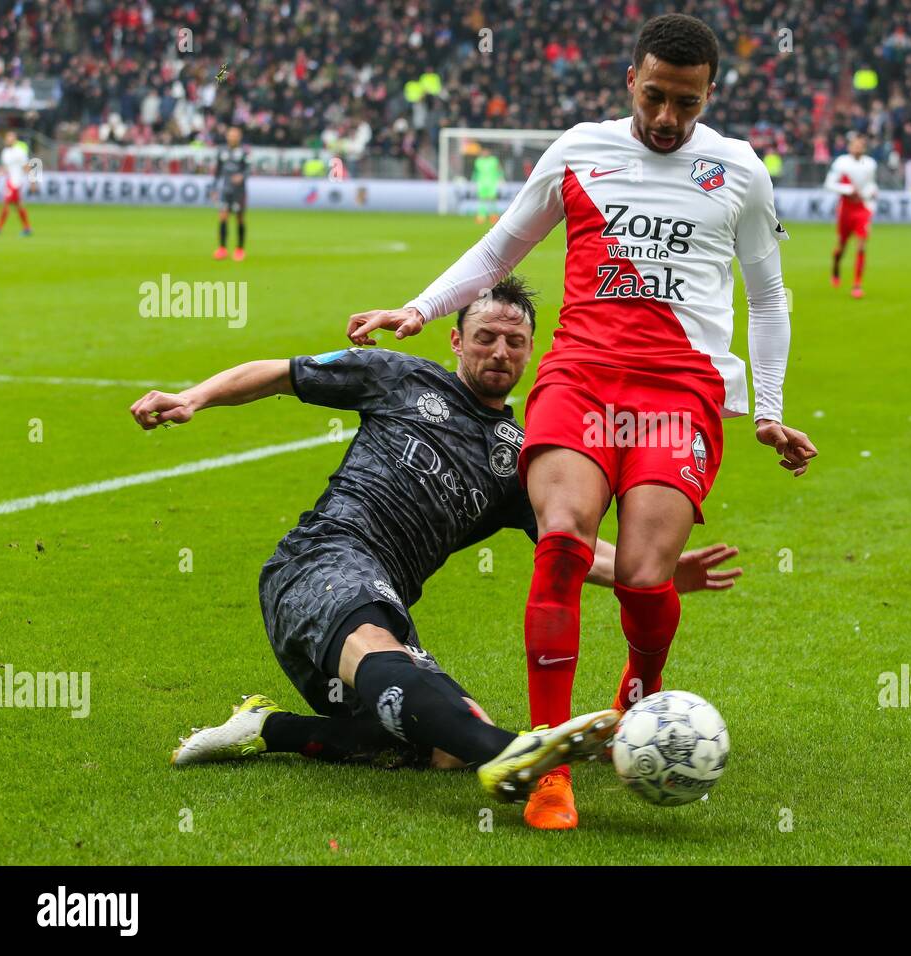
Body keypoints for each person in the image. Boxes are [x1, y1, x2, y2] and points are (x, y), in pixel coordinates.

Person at [345, 13, 815, 830]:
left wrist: (768, 410)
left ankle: (639, 689)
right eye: (657, 97)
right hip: (581, 378)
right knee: (561, 536)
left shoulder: (738, 170)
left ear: (711, 94)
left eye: (687, 104)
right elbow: (500, 252)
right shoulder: (578, 150)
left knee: (640, 573)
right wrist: (419, 309)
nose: (668, 119)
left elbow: (767, 295)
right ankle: (548, 759)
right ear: (631, 81)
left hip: (680, 390)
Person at [129, 276, 740, 811]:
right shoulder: (398, 376)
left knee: (440, 745)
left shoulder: (516, 457)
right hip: (320, 559)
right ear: (456, 340)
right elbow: (280, 374)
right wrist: (192, 397)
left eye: (514, 342)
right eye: (485, 337)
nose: (499, 352)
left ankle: (268, 728)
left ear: (531, 352)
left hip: (383, 598)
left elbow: (568, 546)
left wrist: (649, 573)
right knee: (419, 690)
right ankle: (520, 755)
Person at [824, 132, 877, 297]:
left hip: (862, 209)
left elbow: (871, 184)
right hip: (846, 210)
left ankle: (857, 284)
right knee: (842, 246)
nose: (857, 147)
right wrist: (848, 190)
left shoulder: (870, 164)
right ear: (849, 147)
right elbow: (829, 184)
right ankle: (836, 268)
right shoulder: (841, 163)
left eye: (860, 145)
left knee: (861, 245)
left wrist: (872, 193)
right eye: (855, 145)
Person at [212, 126, 249, 261]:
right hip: (225, 190)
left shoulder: (244, 152)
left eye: (235, 135)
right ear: (227, 136)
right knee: (223, 217)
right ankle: (222, 248)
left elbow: (248, 170)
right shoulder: (222, 151)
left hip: (239, 191)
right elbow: (217, 172)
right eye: (230, 135)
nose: (232, 137)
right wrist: (214, 188)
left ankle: (240, 249)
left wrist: (241, 176)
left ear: (239, 137)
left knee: (239, 218)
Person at [0, 131, 32, 237]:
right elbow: (6, 168)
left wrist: (32, 181)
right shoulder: (5, 152)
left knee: (6, 203)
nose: (9, 139)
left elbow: (26, 166)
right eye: (8, 137)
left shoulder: (19, 151)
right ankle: (27, 228)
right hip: (9, 181)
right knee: (18, 205)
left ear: (15, 139)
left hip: (17, 182)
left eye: (11, 137)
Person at [472, 146, 504, 224]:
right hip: (481, 182)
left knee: (492, 199)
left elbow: (499, 169)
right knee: (482, 199)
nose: (485, 153)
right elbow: (476, 172)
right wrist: (473, 180)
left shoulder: (494, 160)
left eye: (486, 151)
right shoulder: (478, 161)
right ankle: (481, 216)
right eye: (484, 151)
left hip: (492, 183)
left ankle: (493, 215)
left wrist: (501, 177)